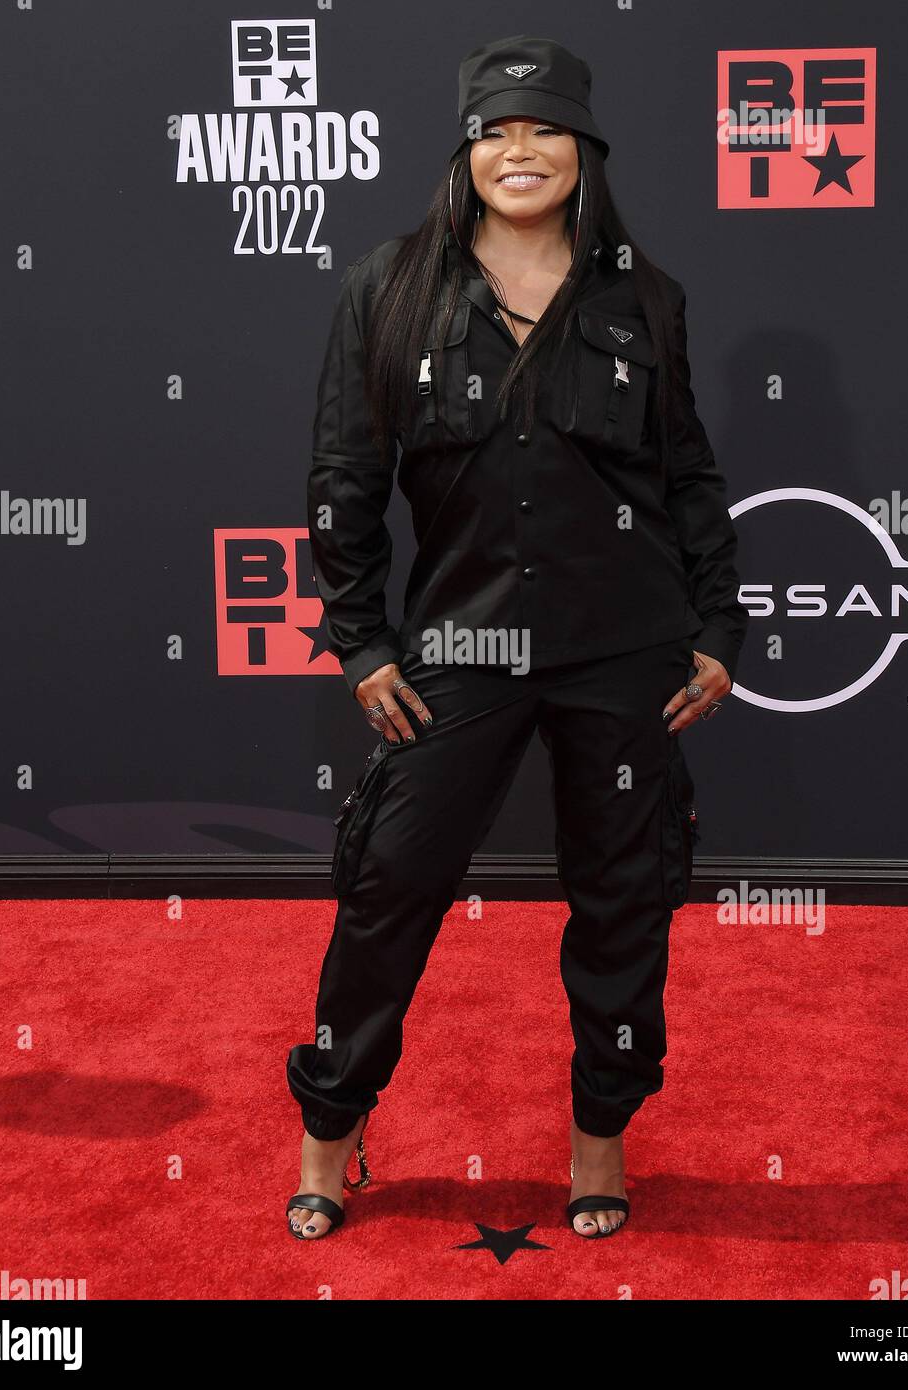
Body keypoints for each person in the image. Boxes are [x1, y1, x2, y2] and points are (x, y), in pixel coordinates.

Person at [285, 34, 747, 1242]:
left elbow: (685, 473)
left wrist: (717, 618)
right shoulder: (387, 287)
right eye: (492, 129)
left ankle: (599, 1143)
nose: (517, 149)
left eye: (542, 127)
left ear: (584, 150)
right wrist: (363, 643)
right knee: (388, 888)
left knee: (621, 902)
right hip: (459, 645)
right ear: (464, 153)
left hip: (626, 648)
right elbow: (343, 480)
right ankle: (328, 1130)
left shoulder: (644, 295)